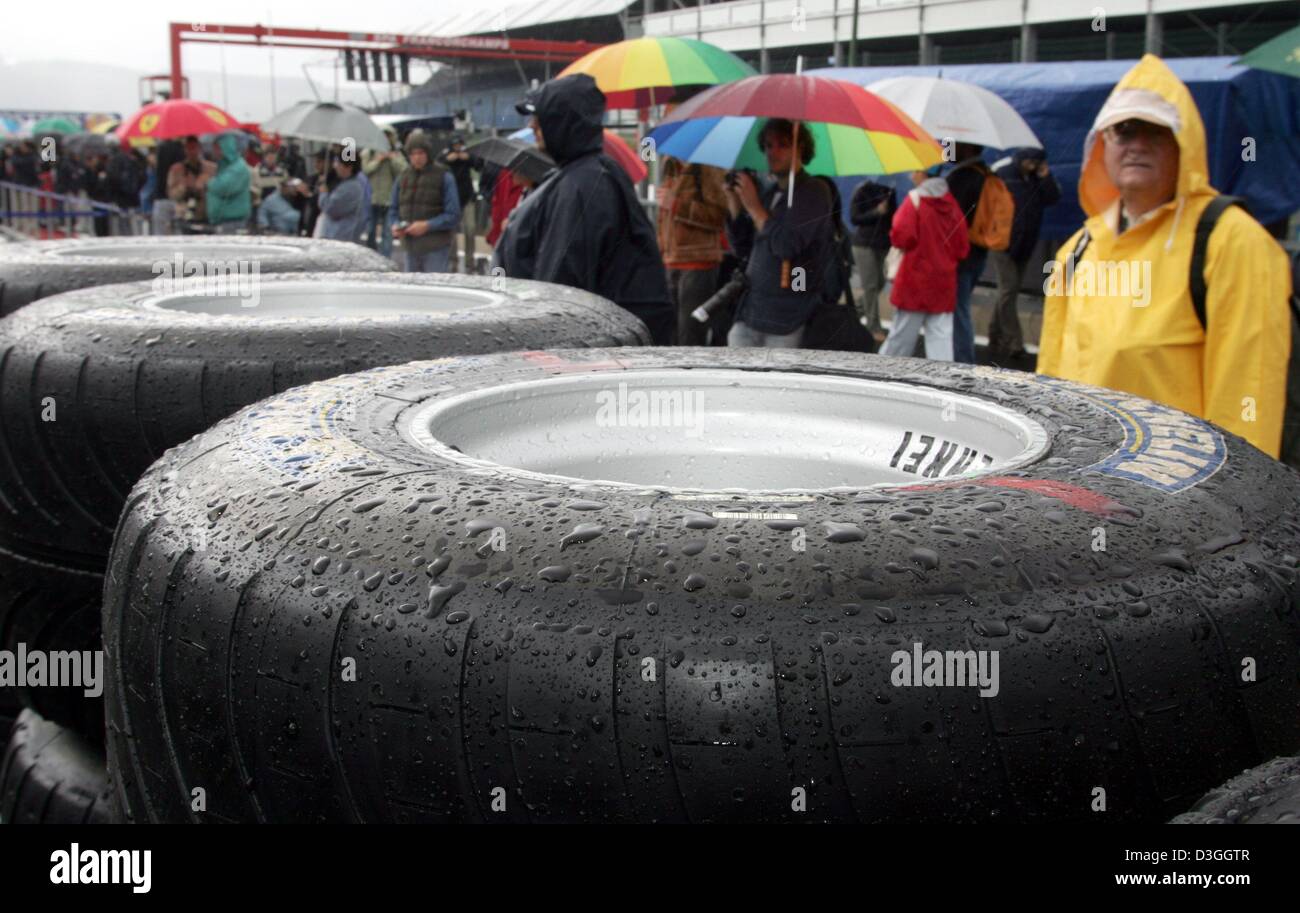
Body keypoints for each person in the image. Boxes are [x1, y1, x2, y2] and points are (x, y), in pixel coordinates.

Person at [1037, 54, 1291, 459]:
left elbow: (1249, 391)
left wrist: (1233, 509)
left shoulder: (1231, 242)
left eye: (1156, 131)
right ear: (1104, 146)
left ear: (1184, 146)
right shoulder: (1078, 248)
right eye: (1124, 130)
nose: (1138, 144)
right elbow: (1048, 380)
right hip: (1082, 486)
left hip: (1176, 495)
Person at [494, 74, 674, 343]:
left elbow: (560, 287)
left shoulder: (582, 185)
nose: (533, 126)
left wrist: (541, 345)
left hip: (589, 350)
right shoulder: (582, 175)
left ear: (561, 122)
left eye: (540, 117)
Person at [722, 118, 833, 348]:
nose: (773, 152)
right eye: (769, 146)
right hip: (751, 313)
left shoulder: (813, 192)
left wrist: (754, 207)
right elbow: (744, 248)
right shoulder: (771, 192)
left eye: (782, 144)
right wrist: (735, 205)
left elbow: (786, 246)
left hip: (787, 319)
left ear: (800, 148)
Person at [878, 167, 970, 361]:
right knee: (941, 340)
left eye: (916, 171)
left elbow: (901, 238)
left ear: (923, 175)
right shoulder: (951, 203)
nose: (912, 175)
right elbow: (962, 247)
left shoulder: (914, 200)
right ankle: (943, 383)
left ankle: (881, 378)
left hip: (914, 280)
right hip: (944, 282)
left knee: (900, 339)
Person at [990, 148, 1060, 362]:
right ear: (1022, 159)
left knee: (1007, 291)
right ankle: (1014, 343)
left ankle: (994, 332)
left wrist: (1045, 176)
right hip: (1002, 241)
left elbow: (1052, 197)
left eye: (1036, 163)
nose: (1032, 166)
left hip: (1025, 243)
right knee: (1009, 289)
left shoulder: (1035, 177)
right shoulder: (1001, 173)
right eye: (1029, 162)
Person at [656, 156, 728, 346]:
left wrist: (677, 205)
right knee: (670, 337)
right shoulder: (670, 165)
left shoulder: (708, 166)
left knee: (690, 338)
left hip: (698, 263)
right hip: (669, 262)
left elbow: (718, 215)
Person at [945, 142, 994, 363]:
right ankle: (960, 358)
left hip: (959, 255)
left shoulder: (960, 178)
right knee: (959, 308)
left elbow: (950, 220)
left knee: (958, 311)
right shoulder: (987, 174)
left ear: (966, 147)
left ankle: (963, 363)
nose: (946, 149)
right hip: (979, 252)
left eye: (950, 144)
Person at [391, 132, 461, 273]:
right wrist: (395, 224)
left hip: (436, 247)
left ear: (428, 153)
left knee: (434, 290)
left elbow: (453, 215)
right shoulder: (402, 177)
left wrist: (427, 225)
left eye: (421, 153)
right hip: (410, 248)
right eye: (413, 154)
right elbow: (393, 209)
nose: (417, 157)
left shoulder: (444, 177)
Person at [848, 178, 897, 339]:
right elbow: (855, 218)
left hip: (882, 244)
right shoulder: (861, 190)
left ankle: (851, 312)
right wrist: (876, 212)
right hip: (864, 244)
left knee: (880, 283)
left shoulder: (889, 191)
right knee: (870, 285)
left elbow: (893, 218)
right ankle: (873, 326)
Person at [362, 127, 406, 258]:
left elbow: (404, 170)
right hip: (371, 197)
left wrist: (392, 158)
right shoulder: (368, 152)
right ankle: (370, 256)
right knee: (370, 230)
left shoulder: (396, 154)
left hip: (389, 198)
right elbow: (365, 170)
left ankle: (385, 257)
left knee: (387, 232)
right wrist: (378, 160)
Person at [438, 135, 479, 272]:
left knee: (470, 230)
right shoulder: (446, 156)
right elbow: (437, 164)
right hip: (451, 199)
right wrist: (447, 159)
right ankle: (453, 261)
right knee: (452, 232)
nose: (457, 148)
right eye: (455, 145)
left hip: (467, 198)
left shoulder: (467, 155)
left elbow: (479, 164)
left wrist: (468, 158)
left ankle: (470, 262)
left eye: (459, 145)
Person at [205, 133, 252, 234]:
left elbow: (222, 187)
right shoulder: (223, 167)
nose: (214, 152)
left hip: (233, 223)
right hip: (221, 222)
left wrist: (208, 182)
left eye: (217, 148)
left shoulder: (239, 167)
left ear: (226, 147)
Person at [318, 154, 368, 242]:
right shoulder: (348, 184)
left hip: (339, 235)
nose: (336, 166)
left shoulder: (350, 188)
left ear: (348, 167)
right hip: (339, 235)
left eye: (339, 163)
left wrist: (323, 193)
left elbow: (330, 208)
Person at [166, 135, 215, 224]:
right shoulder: (176, 169)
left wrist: (205, 185)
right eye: (188, 148)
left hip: (206, 214)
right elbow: (171, 195)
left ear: (200, 149)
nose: (191, 152)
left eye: (194, 148)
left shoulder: (211, 168)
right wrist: (182, 187)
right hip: (184, 215)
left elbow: (217, 191)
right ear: (184, 150)